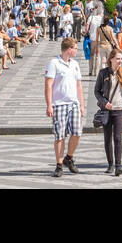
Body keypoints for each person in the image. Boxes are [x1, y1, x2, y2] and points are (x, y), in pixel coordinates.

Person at [44, 37, 84, 177]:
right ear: (69, 49)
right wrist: (49, 105)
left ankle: (69, 157)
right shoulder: (54, 63)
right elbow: (48, 85)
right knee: (60, 135)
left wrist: (82, 105)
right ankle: (59, 164)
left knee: (77, 132)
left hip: (74, 103)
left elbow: (79, 85)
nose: (76, 51)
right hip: (59, 104)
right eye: (75, 48)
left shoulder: (75, 64)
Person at [95, 48, 122, 176]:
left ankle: (118, 166)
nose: (120, 61)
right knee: (107, 138)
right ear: (111, 60)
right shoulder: (103, 73)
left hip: (120, 109)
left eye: (121, 59)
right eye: (117, 58)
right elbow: (97, 91)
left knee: (118, 138)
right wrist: (104, 102)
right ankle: (110, 164)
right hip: (107, 110)